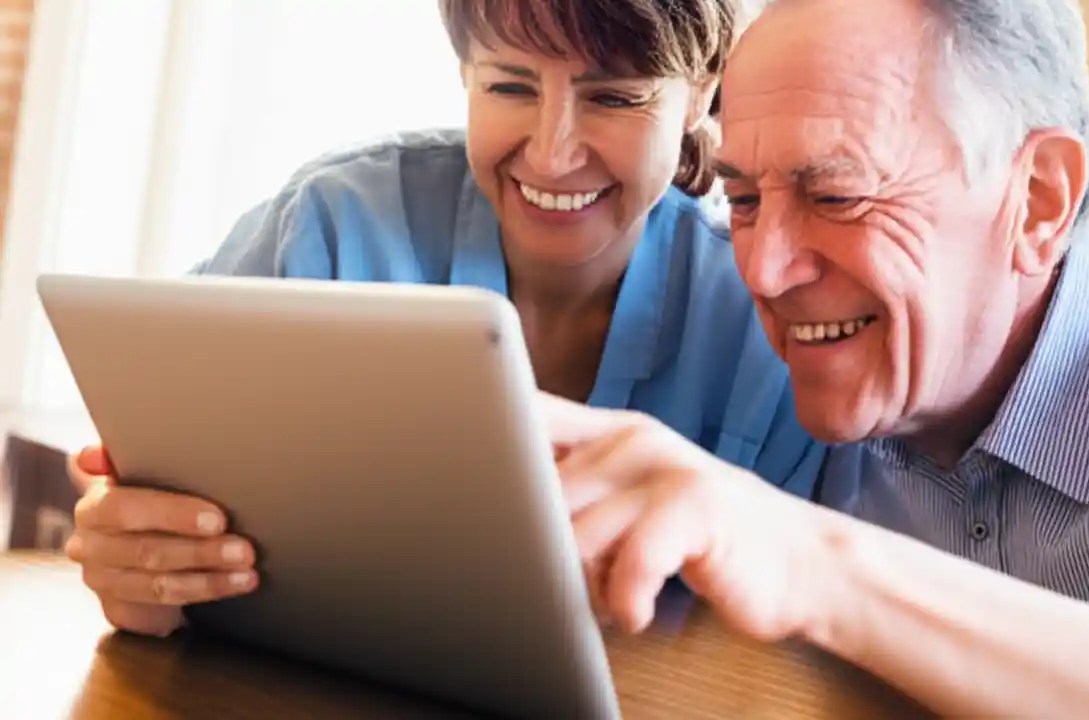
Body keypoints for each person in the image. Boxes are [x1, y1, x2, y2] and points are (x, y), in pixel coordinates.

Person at [541, 0, 1089, 716]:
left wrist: (814, 563)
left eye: (835, 196)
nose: (763, 270)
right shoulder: (765, 378)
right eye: (743, 202)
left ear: (1038, 200)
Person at [64, 0, 823, 639]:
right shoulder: (333, 229)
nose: (553, 154)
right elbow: (162, 522)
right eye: (510, 86)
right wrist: (145, 578)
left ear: (698, 95)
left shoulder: (765, 317)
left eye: (615, 97)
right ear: (464, 72)